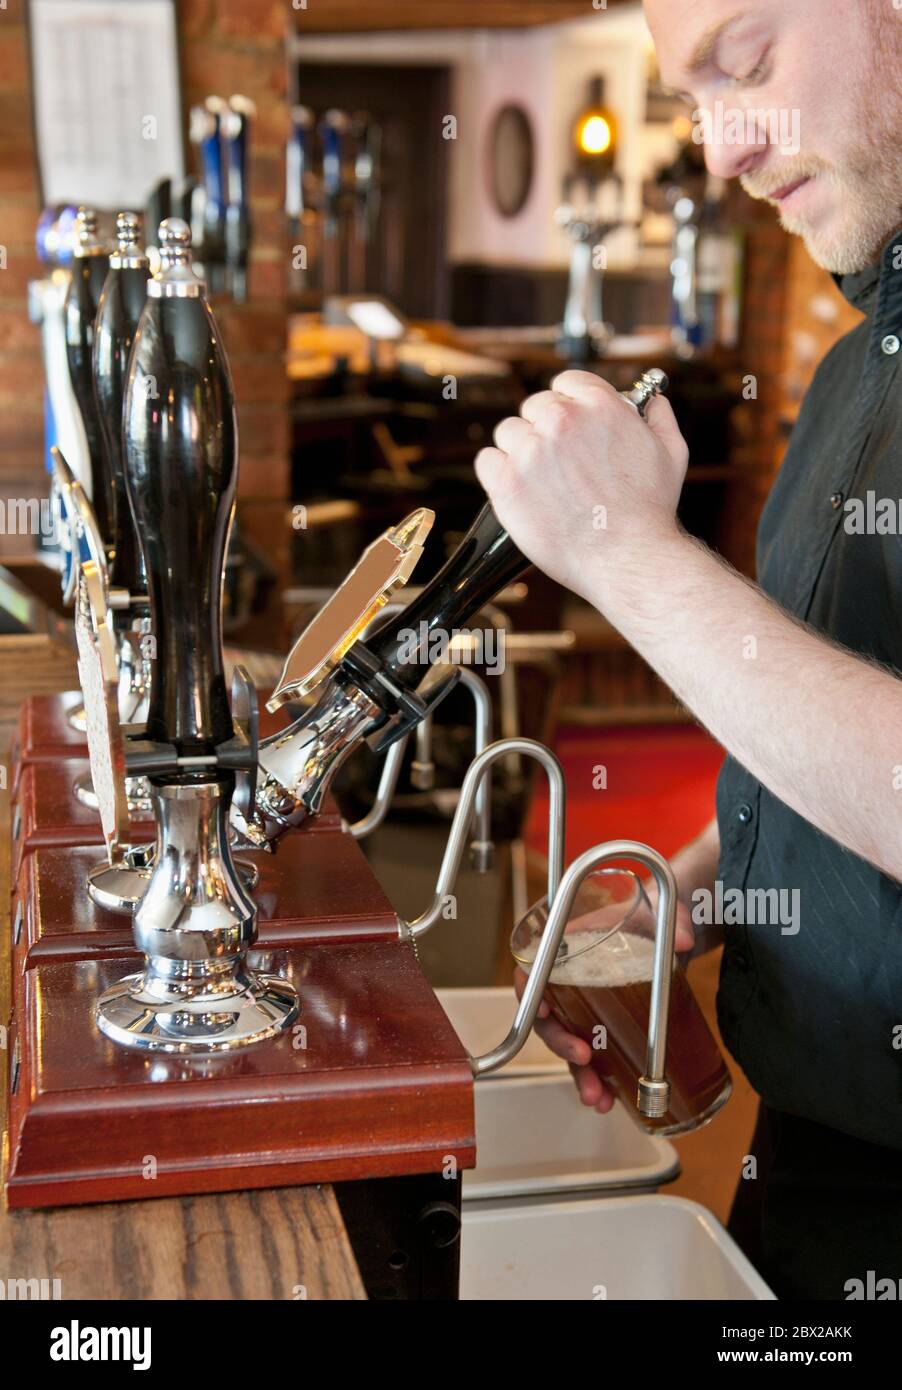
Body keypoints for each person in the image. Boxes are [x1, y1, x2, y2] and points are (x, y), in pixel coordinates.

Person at [479, 0, 902, 1300]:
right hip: (809, 1162)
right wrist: (692, 899)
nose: (720, 149)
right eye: (693, 96)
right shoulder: (852, 367)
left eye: (751, 58)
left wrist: (623, 553)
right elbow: (835, 736)